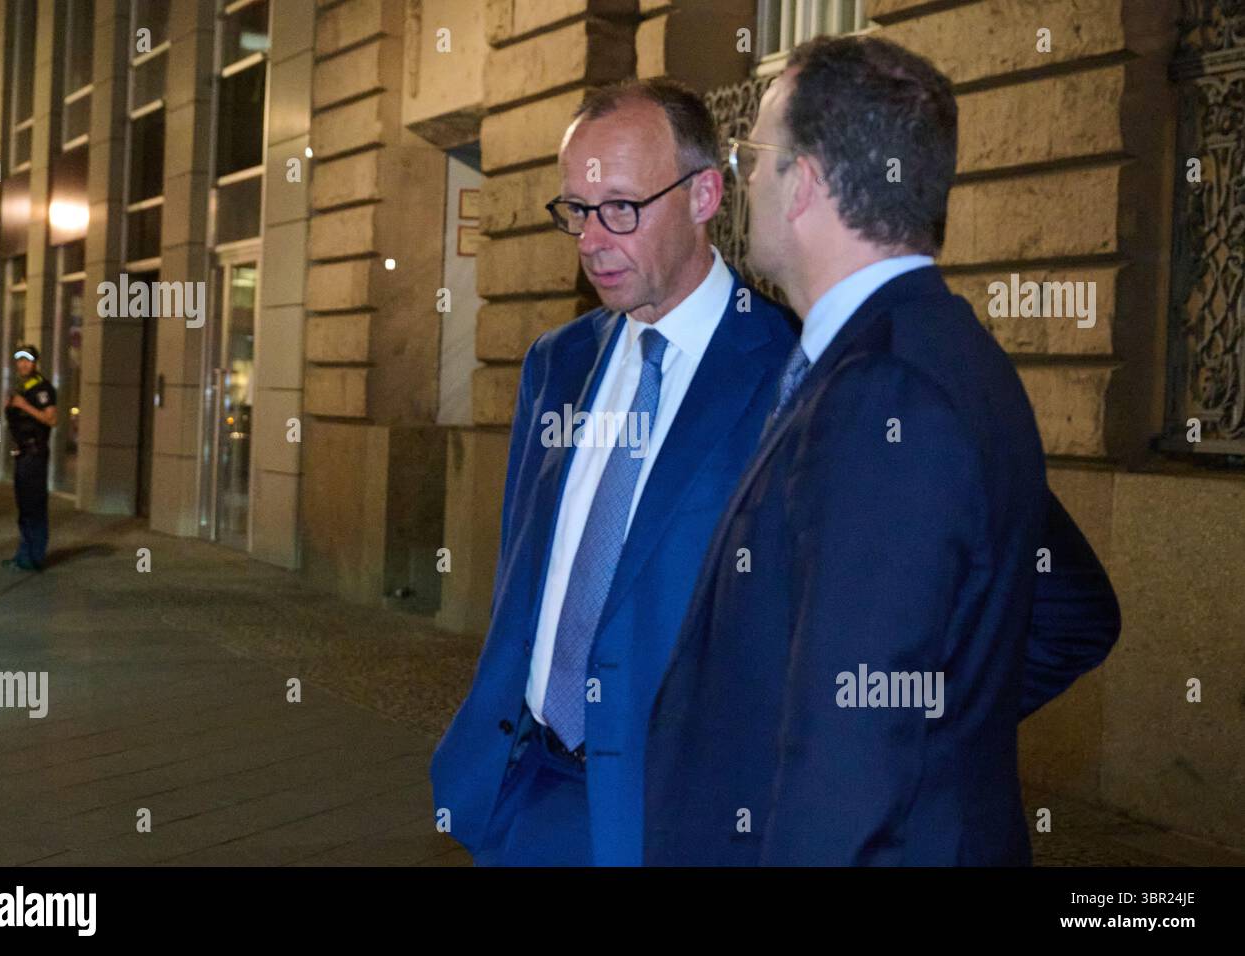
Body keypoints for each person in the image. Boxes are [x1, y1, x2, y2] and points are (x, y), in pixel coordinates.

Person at [643, 36, 1118, 866]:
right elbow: (1065, 612)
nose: (746, 180)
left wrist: (907, 760)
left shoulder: (884, 394)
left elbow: (845, 771)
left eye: (756, 156)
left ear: (808, 185)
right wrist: (941, 741)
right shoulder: (945, 354)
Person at [431, 79, 798, 866]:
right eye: (576, 210)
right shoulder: (556, 365)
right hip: (526, 792)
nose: (592, 240)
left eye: (622, 209)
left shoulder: (792, 376)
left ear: (705, 194)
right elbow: (522, 573)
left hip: (679, 824)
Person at [2, 345, 57, 572]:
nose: (23, 364)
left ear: (35, 363)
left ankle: (34, 557)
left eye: (27, 360)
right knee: (24, 507)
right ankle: (23, 554)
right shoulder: (21, 388)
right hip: (22, 454)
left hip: (34, 454)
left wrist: (24, 406)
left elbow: (51, 419)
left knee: (34, 505)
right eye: (20, 360)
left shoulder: (42, 388)